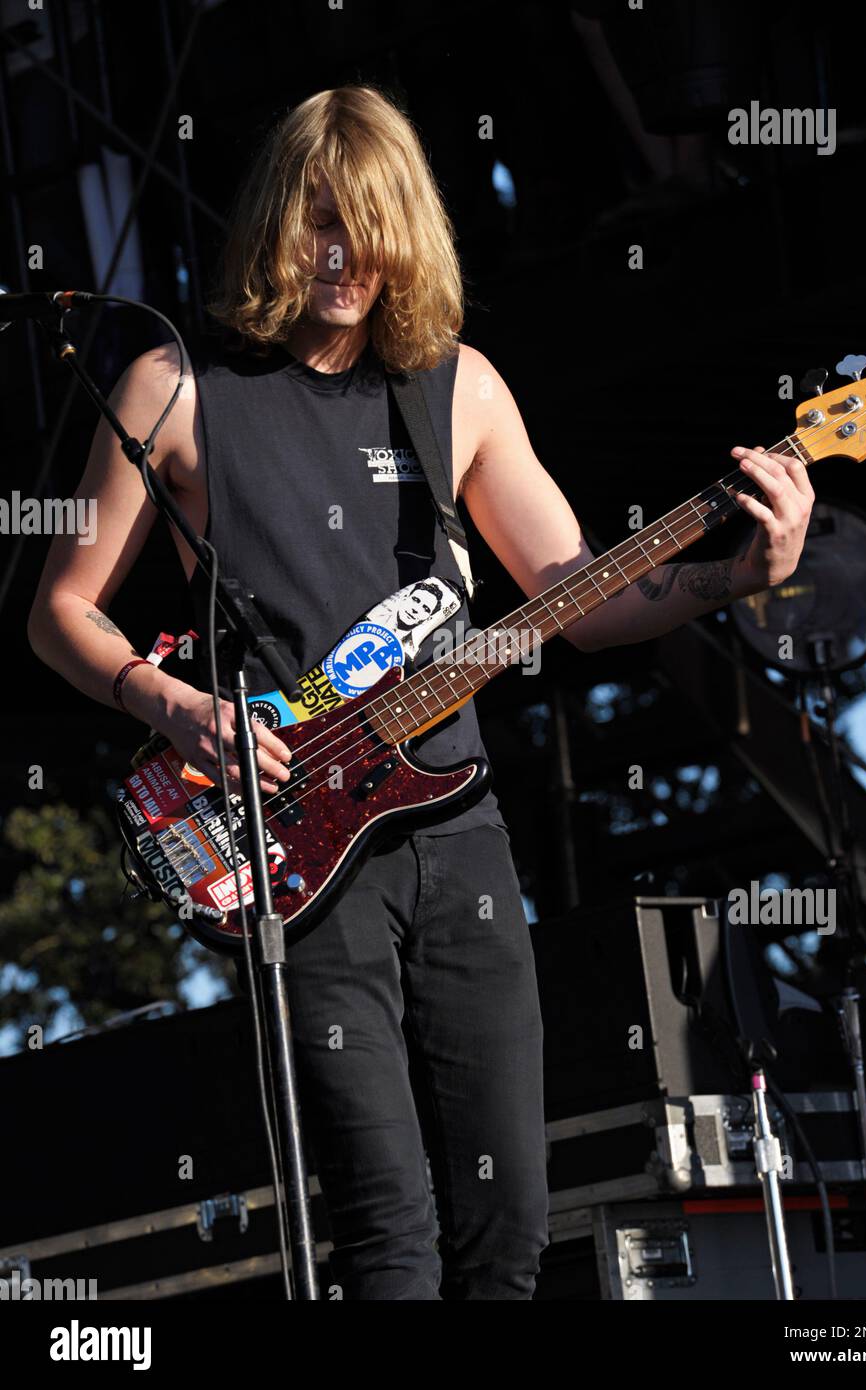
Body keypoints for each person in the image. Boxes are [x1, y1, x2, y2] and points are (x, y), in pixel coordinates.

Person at [27, 84, 814, 1300]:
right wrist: (173, 704)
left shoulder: (461, 387)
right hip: (298, 849)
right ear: (278, 223)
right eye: (322, 222)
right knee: (389, 1235)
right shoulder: (173, 387)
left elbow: (580, 596)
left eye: (374, 224)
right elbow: (59, 612)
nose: (346, 256)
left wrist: (731, 574)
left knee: (508, 1233)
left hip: (460, 835)